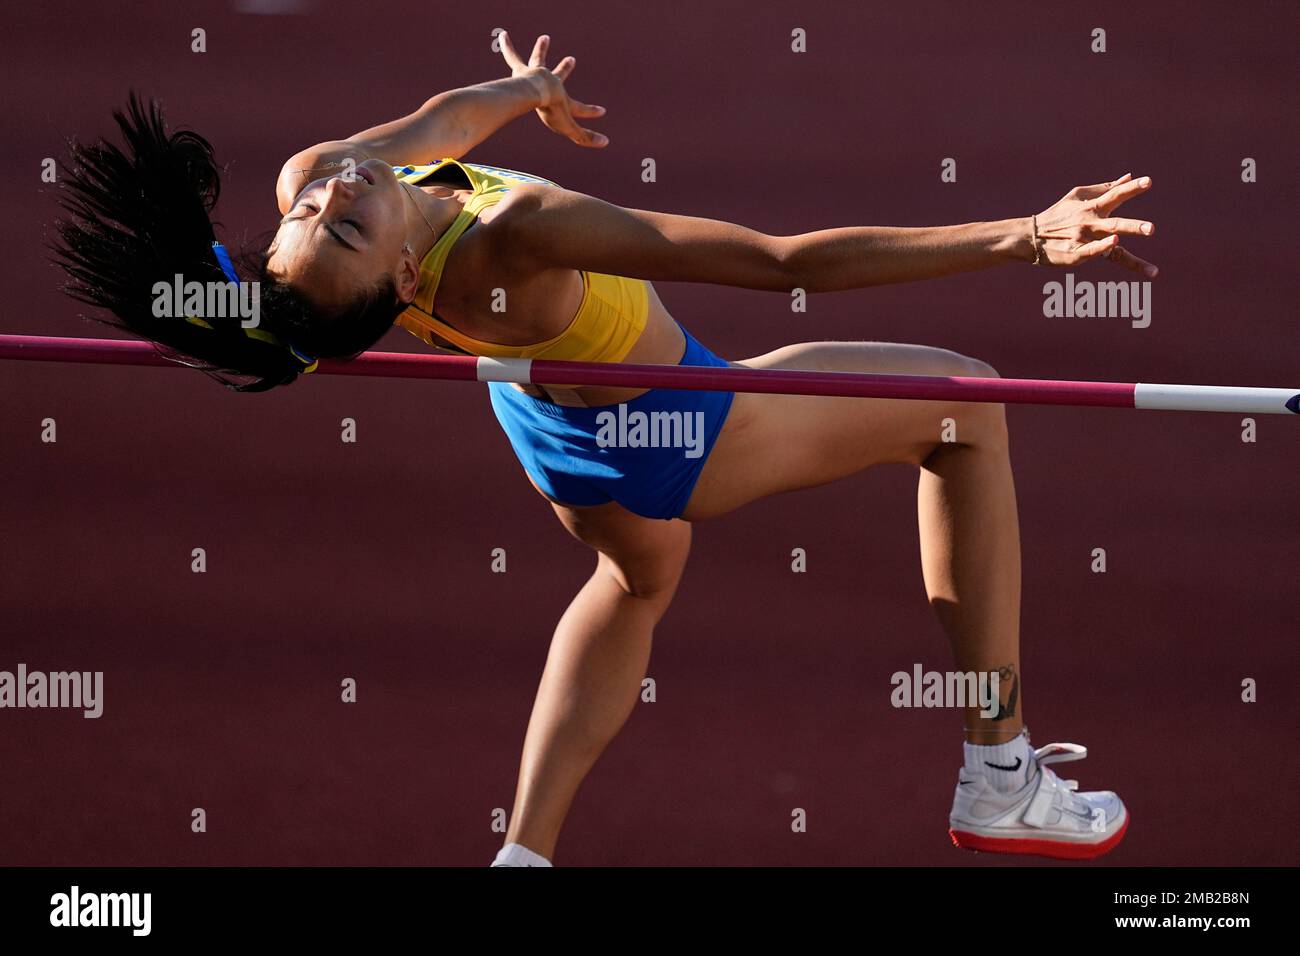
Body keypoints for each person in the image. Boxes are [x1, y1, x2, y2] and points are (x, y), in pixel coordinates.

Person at [51, 31, 1156, 866]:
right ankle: (997, 768)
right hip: (674, 426)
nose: (339, 192)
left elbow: (440, 122)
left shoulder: (327, 173)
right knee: (966, 406)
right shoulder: (520, 235)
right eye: (345, 223)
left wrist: (522, 93)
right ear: (394, 285)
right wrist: (1020, 234)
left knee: (635, 577)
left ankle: (521, 854)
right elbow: (780, 261)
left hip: (549, 429)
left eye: (314, 212)